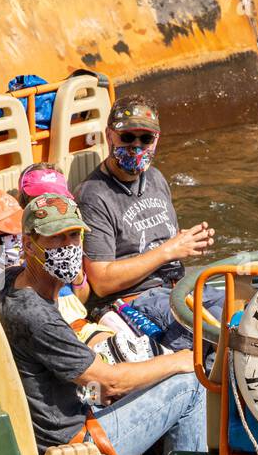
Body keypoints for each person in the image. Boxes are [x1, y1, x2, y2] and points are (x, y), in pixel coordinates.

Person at [0, 193, 206, 455]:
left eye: (74, 236)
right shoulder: (36, 315)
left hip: (73, 403)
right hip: (72, 438)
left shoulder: (10, 281)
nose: (68, 247)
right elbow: (110, 384)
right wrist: (180, 359)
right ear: (29, 244)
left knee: (154, 371)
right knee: (190, 385)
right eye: (56, 238)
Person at [76, 94, 218, 352]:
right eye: (127, 137)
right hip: (138, 300)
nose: (137, 146)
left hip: (179, 288)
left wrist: (186, 243)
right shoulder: (93, 196)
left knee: (250, 308)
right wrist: (168, 251)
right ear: (109, 136)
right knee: (217, 333)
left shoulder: (155, 178)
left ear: (157, 139)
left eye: (146, 139)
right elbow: (102, 281)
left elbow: (163, 243)